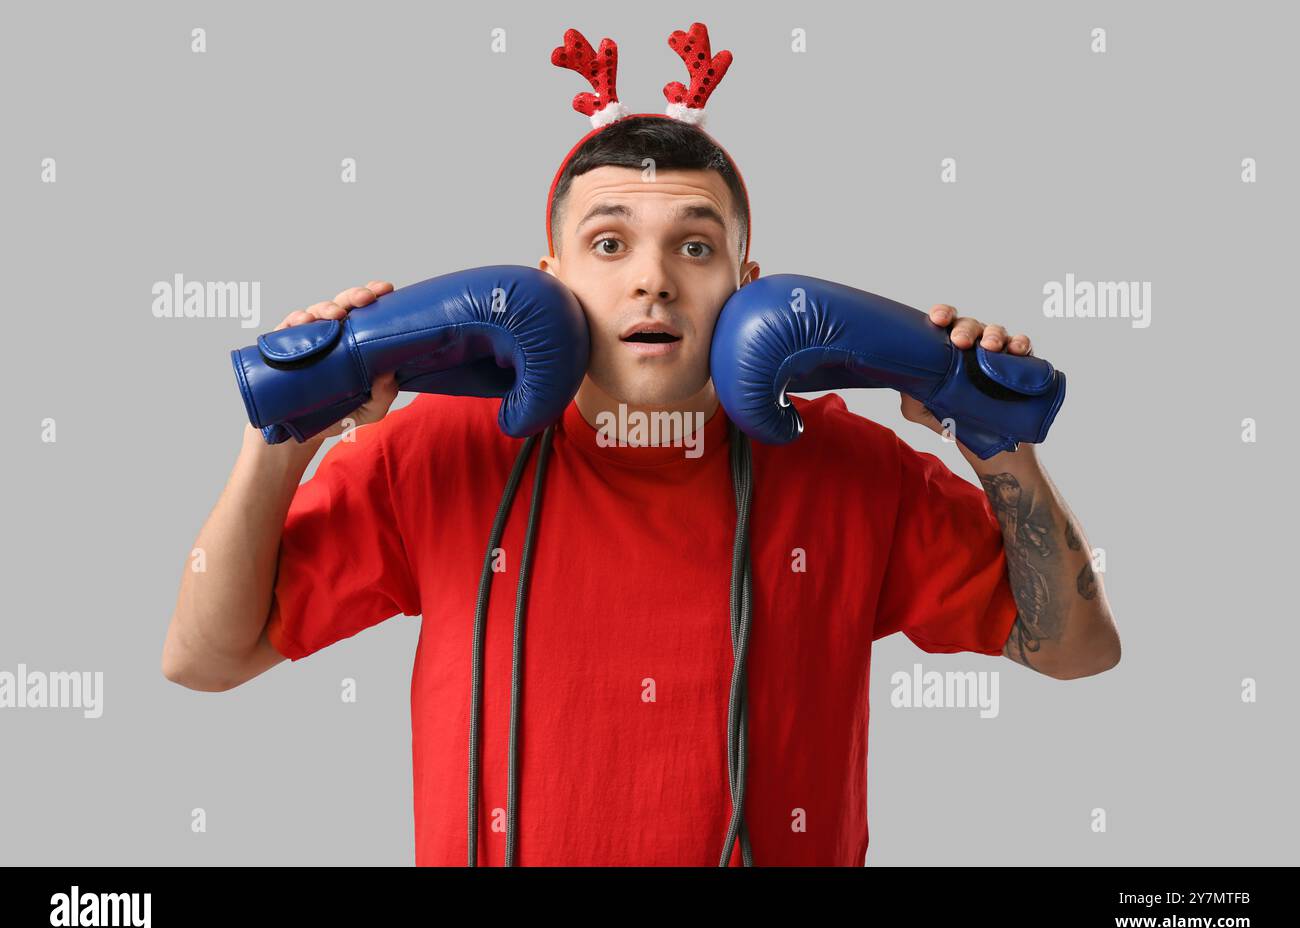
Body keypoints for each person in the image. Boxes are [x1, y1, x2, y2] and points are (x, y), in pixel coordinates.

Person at [162, 25, 1121, 867]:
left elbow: (1074, 652)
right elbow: (207, 659)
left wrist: (996, 443)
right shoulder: (433, 455)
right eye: (610, 244)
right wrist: (286, 431)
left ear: (751, 286)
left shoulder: (852, 469)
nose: (653, 281)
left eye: (694, 248)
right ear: (547, 279)